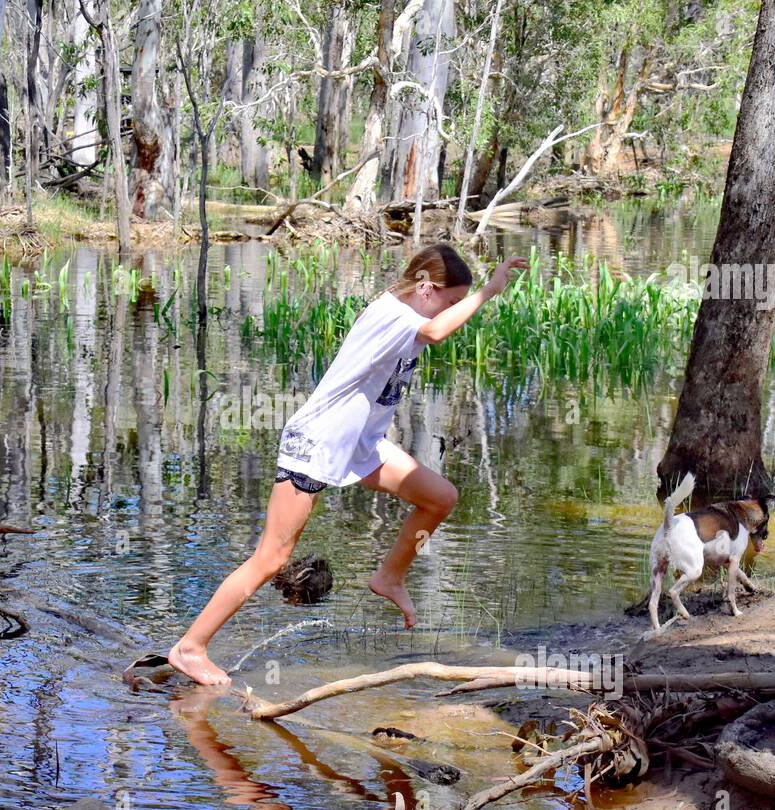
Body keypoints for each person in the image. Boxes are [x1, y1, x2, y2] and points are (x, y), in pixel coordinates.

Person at [168, 244, 529, 685]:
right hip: (316, 444)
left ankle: (389, 576)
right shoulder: (394, 316)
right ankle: (190, 647)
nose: (454, 310)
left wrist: (471, 297)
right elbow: (435, 332)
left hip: (360, 444)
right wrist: (489, 290)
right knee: (270, 558)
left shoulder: (404, 313)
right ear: (426, 289)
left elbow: (433, 327)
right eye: (451, 301)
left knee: (440, 498)